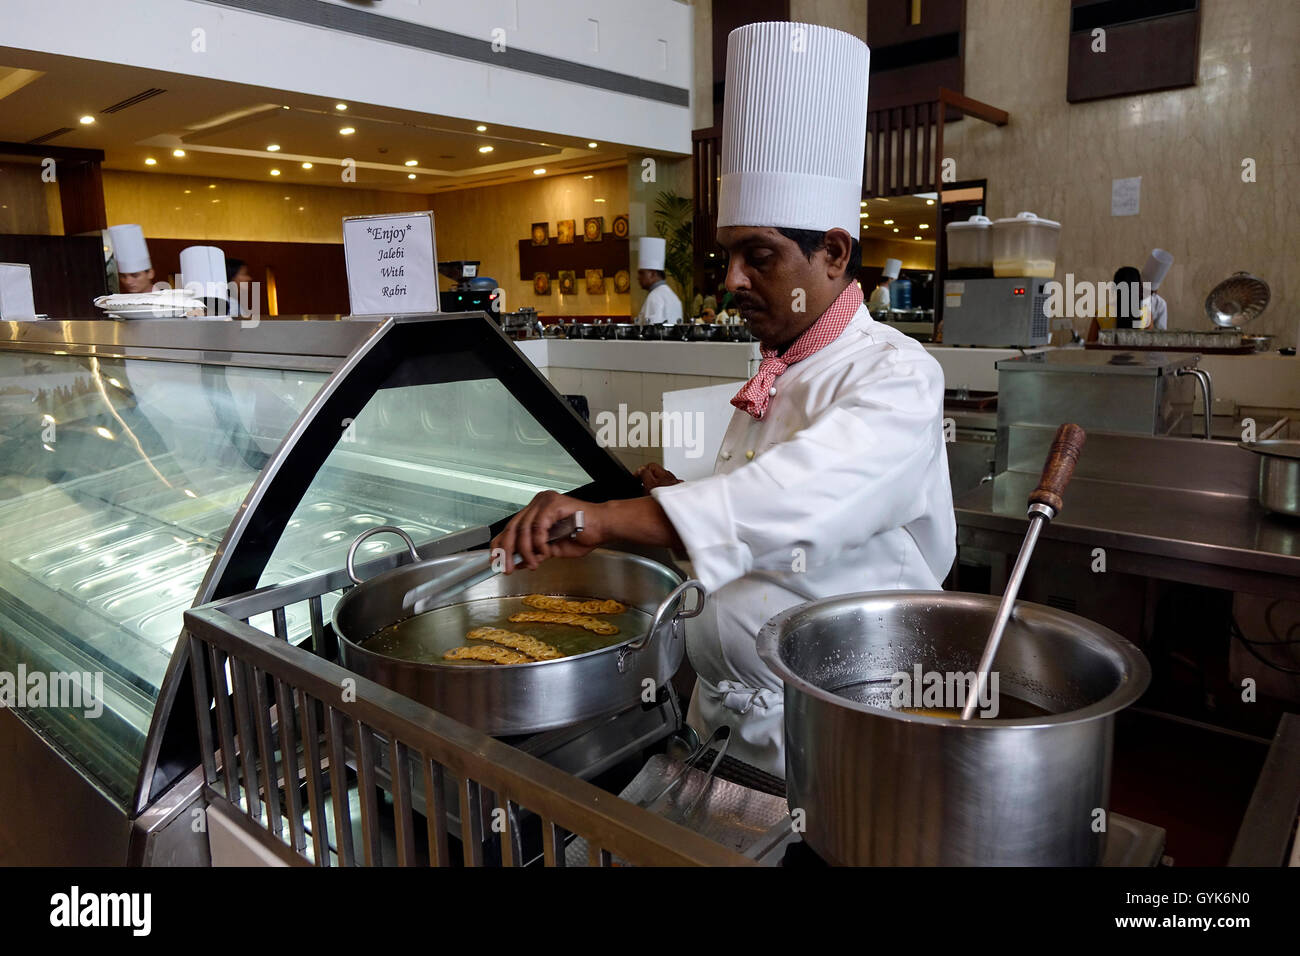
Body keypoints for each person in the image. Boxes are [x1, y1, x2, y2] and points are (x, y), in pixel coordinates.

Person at [490, 21, 956, 776]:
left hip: (831, 732)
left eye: (759, 255)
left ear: (833, 254)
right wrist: (681, 503)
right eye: (728, 256)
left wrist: (613, 521)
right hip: (723, 714)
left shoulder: (896, 375)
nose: (732, 279)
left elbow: (796, 501)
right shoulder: (778, 362)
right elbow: (762, 537)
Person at [634, 237, 682, 325]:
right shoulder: (671, 295)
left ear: (652, 274)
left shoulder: (655, 297)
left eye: (641, 273)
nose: (638, 277)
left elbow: (652, 333)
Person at [106, 224, 155, 293]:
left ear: (150, 273)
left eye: (135, 275)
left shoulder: (167, 300)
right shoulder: (119, 302)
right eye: (123, 276)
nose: (128, 281)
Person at [1141, 248, 1173, 330]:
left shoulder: (1160, 304)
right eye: (1142, 289)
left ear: (1155, 292)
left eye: (1150, 292)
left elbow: (1161, 333)